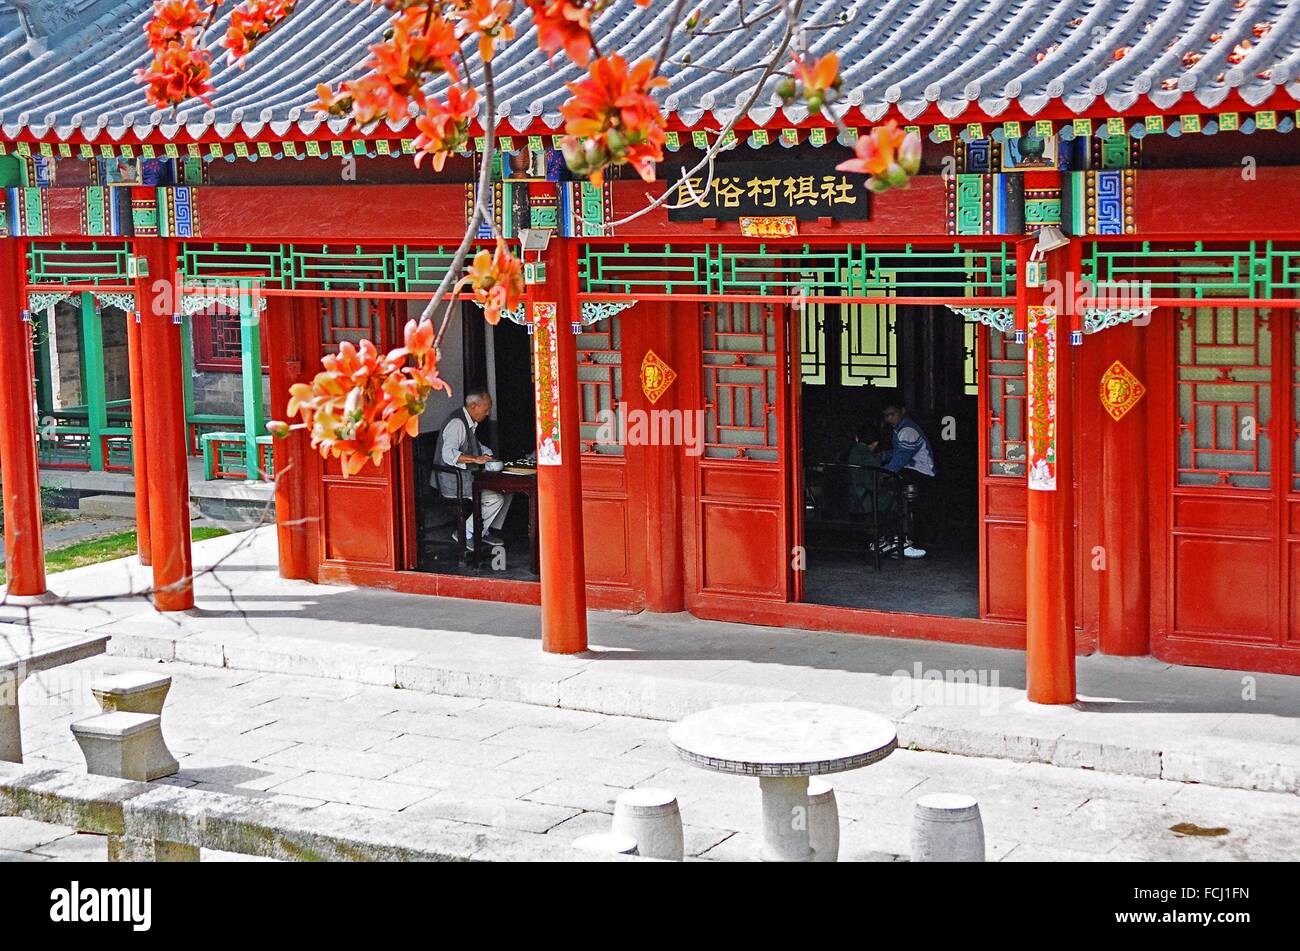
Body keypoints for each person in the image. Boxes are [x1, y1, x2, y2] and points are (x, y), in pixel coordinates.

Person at [433, 389, 512, 550]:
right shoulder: (457, 423)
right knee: (496, 498)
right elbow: (448, 455)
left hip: (467, 479)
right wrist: (475, 459)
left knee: (506, 490)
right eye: (486, 409)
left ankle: (482, 531)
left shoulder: (469, 422)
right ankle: (465, 532)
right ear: (474, 406)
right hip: (454, 482)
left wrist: (486, 453)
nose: (488, 413)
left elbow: (476, 445)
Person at [870, 402, 935, 559]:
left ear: (902, 411)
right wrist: (882, 457)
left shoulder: (907, 431)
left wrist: (884, 473)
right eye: (886, 416)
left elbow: (901, 459)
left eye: (892, 414)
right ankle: (891, 539)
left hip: (920, 472)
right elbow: (897, 453)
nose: (889, 418)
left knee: (897, 498)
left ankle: (902, 540)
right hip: (909, 470)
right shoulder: (900, 429)